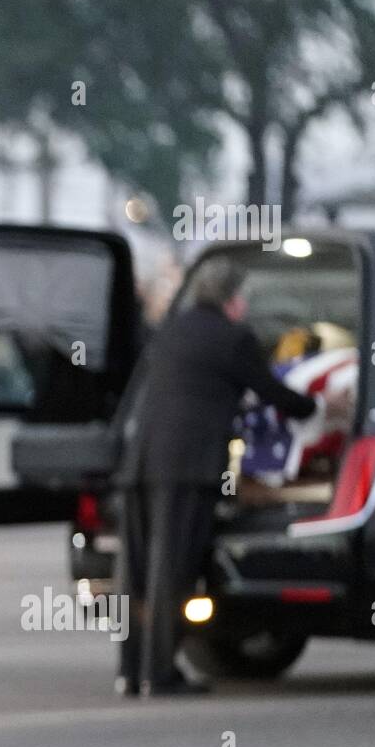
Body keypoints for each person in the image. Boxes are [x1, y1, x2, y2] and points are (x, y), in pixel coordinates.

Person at [116, 258, 320, 696]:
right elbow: (271, 392)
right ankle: (162, 674)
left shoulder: (170, 331)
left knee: (134, 572)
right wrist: (317, 407)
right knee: (172, 571)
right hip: (188, 469)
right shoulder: (234, 339)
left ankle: (131, 672)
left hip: (140, 465)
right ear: (232, 301)